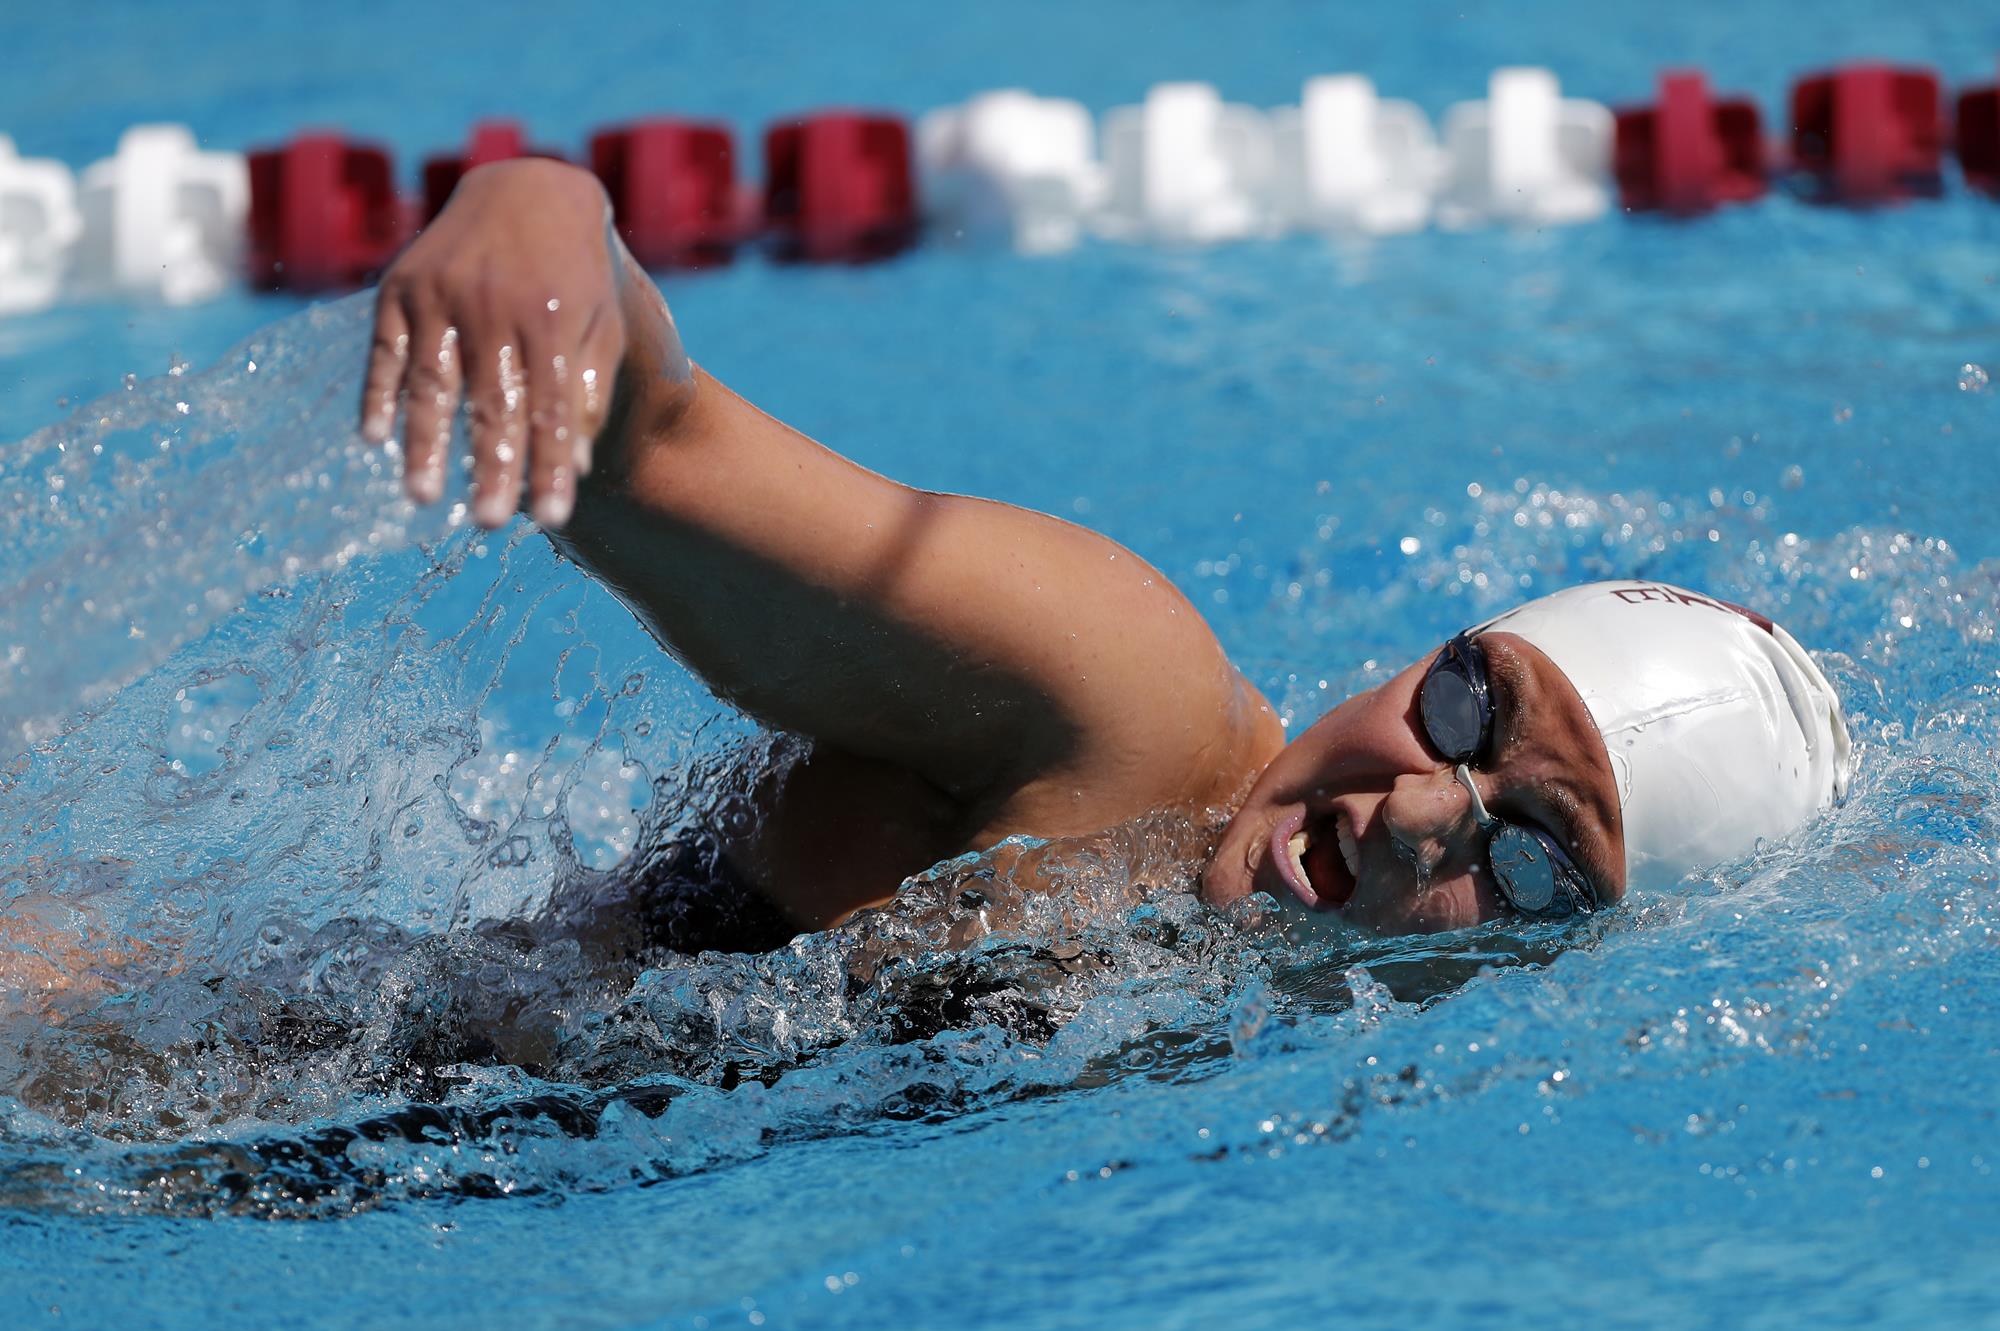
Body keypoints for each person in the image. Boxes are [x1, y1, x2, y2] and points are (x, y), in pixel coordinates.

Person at [349, 158, 1852, 945]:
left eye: (1528, 866)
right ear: (1432, 650)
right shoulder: (1114, 702)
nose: (1405, 813)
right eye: (1465, 710)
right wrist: (538, 210)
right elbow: (646, 437)